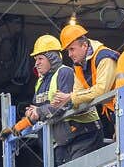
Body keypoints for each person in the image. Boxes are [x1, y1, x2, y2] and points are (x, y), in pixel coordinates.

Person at [4, 34, 76, 166]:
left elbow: (63, 105)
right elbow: (37, 111)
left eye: (40, 58)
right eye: (36, 59)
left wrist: (38, 111)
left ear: (52, 58)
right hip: (52, 143)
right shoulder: (40, 82)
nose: (36, 63)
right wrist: (20, 125)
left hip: (70, 141)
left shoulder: (64, 73)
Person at [49, 21, 119, 155]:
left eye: (72, 49)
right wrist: (64, 101)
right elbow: (78, 94)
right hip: (115, 112)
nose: (69, 54)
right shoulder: (78, 66)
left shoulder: (104, 57)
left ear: (85, 45)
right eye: (67, 50)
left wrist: (70, 98)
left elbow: (102, 90)